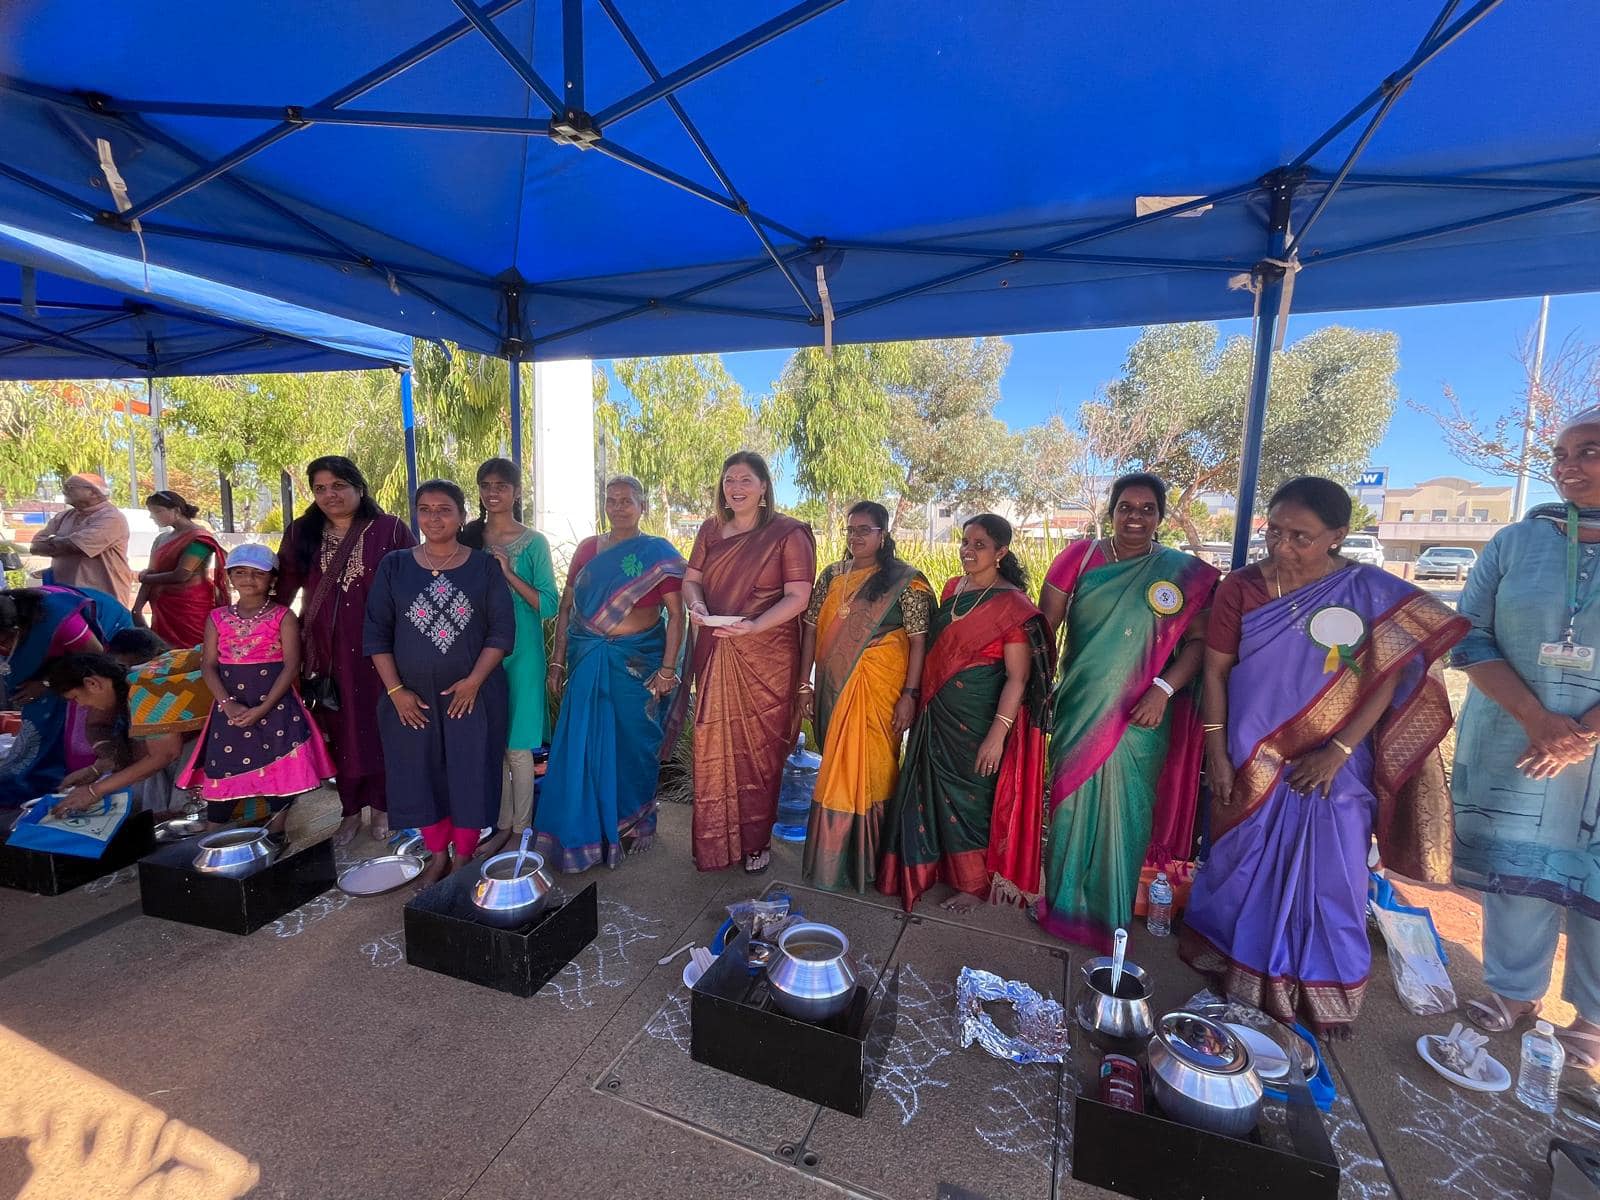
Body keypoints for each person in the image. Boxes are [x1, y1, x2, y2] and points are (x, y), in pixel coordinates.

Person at [1180, 477, 1465, 1034]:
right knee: (1240, 860)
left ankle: (1322, 985)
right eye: (1275, 531)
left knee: (1333, 870)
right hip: (1251, 749)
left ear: (1337, 535)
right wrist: (1215, 747)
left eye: (1301, 537)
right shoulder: (1241, 588)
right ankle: (1238, 967)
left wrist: (1337, 750)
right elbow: (1216, 670)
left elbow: (1386, 676)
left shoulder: (1368, 591)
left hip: (1339, 758)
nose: (1282, 547)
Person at [1452, 409, 1600, 1063]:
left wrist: (1583, 732)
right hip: (1515, 730)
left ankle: (1593, 1017)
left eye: (1587, 452)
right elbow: (1468, 634)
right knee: (1519, 860)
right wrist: (1539, 720)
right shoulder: (1515, 542)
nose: (1568, 466)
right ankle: (1514, 990)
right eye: (1561, 455)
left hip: (1593, 747)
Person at [1034, 474, 1219, 953]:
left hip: (1143, 715)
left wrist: (1163, 688)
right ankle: (1063, 909)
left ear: (1160, 516)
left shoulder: (1179, 571)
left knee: (1127, 813)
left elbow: (1200, 643)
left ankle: (1109, 917)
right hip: (1080, 704)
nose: (1135, 517)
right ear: (1111, 511)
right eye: (1125, 508)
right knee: (1071, 807)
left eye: (1147, 509)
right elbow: (1044, 631)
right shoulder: (1079, 557)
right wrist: (1041, 687)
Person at [878, 514, 1052, 914]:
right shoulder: (953, 588)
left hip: (976, 721)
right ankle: (927, 870)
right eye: (965, 542)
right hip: (936, 713)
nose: (967, 551)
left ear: (1001, 552)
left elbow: (1017, 679)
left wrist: (997, 734)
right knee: (926, 792)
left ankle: (973, 885)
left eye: (979, 545)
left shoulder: (1013, 605)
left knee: (970, 799)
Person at [364, 480, 515, 886]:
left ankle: (463, 855)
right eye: (425, 509)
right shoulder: (395, 565)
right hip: (409, 699)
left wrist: (473, 683)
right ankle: (436, 855)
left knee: (470, 770)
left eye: (444, 509)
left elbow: (501, 632)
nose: (434, 517)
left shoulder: (483, 567)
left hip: (473, 696)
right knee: (417, 771)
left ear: (462, 516)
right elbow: (376, 633)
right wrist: (396, 692)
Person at [536, 475, 687, 871]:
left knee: (636, 744)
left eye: (627, 500)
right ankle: (587, 829)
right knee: (581, 746)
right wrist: (557, 660)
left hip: (639, 663)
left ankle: (639, 821)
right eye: (611, 500)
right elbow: (567, 606)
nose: (618, 506)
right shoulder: (588, 550)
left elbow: (677, 615)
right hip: (588, 658)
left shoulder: (657, 553)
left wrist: (669, 669)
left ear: (643, 506)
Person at [683, 452, 816, 874]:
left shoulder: (787, 533)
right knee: (713, 745)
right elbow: (692, 581)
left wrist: (754, 627)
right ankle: (715, 841)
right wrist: (697, 608)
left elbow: (799, 596)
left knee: (759, 753)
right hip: (717, 647)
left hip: (767, 658)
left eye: (745, 480)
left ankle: (757, 842)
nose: (734, 488)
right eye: (728, 480)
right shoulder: (709, 530)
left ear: (763, 488)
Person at [275, 455, 415, 846]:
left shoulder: (388, 530)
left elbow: (412, 585)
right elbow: (283, 593)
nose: (330, 495)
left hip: (381, 653)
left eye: (338, 485)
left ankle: (385, 809)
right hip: (325, 654)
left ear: (358, 487)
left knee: (383, 728)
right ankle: (350, 811)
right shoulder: (302, 532)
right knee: (340, 732)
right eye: (320, 488)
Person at [798, 501, 933, 892]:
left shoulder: (906, 582)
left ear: (883, 535)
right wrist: (804, 685)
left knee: (874, 770)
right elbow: (810, 630)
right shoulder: (831, 575)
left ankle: (871, 862)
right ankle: (834, 860)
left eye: (865, 530)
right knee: (834, 766)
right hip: (833, 687)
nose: (856, 537)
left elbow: (919, 642)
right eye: (851, 530)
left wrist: (910, 694)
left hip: (879, 690)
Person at [176, 545, 334, 841]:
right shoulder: (217, 618)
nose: (249, 579)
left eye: (258, 574)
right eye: (241, 572)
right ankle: (213, 835)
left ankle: (276, 832)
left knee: (280, 766)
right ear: (230, 577)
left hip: (275, 705)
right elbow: (208, 666)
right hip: (230, 708)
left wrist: (263, 708)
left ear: (272, 579)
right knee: (224, 764)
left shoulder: (282, 616)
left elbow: (290, 666)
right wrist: (227, 704)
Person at [460, 459, 559, 859]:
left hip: (524, 652)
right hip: (481, 651)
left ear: (517, 492)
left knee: (519, 746)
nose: (493, 492)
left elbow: (548, 604)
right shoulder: (468, 538)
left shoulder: (533, 543)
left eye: (502, 484)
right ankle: (502, 825)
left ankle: (522, 829)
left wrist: (506, 572)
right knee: (495, 741)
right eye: (485, 485)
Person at [0, 585, 132, 808]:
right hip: (63, 666)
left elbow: (95, 661)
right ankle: (38, 775)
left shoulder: (60, 622)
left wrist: (45, 683)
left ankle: (63, 774)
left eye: (3, 641)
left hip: (98, 651)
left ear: (16, 629)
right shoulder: (11, 623)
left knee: (77, 715)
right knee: (42, 715)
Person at [46, 654, 187, 816]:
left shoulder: (146, 691)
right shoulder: (126, 685)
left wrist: (94, 791)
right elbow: (97, 725)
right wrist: (98, 768)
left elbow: (165, 754)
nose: (81, 705)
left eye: (76, 697)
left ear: (92, 683)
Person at [131, 491, 228, 648]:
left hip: (190, 606)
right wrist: (137, 608)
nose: (152, 517)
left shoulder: (198, 538)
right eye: (151, 512)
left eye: (157, 511)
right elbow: (152, 572)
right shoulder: (161, 539)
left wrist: (145, 578)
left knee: (194, 654)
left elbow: (182, 574)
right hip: (162, 607)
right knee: (164, 656)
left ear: (176, 511)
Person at [29, 474, 133, 604]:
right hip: (65, 595)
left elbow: (78, 547)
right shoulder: (63, 516)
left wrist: (53, 542)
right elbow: (35, 546)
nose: (64, 490)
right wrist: (64, 542)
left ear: (93, 492)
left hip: (101, 597)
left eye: (70, 487)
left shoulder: (111, 518)